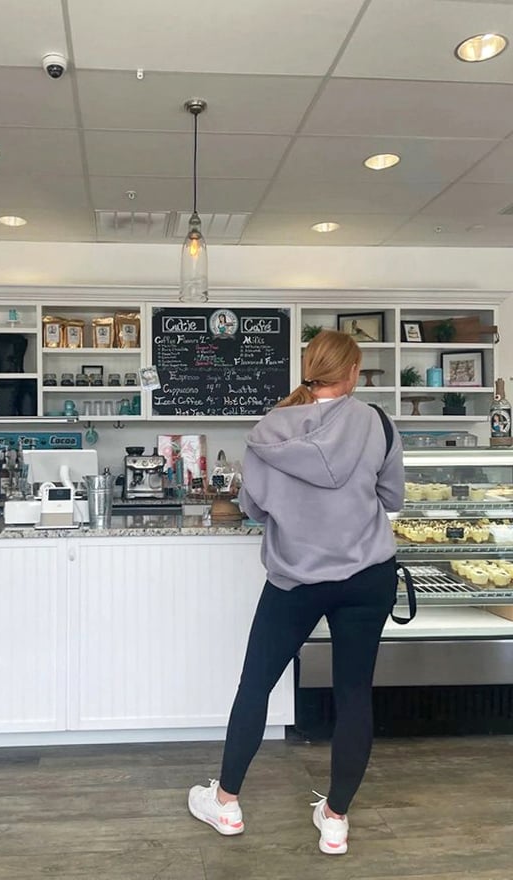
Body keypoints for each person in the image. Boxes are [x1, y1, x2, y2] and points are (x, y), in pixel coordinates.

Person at [188, 329, 404, 855]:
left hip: (295, 579)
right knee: (354, 696)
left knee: (256, 684)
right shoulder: (376, 422)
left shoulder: (268, 431)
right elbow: (392, 495)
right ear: (352, 374)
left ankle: (228, 802)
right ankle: (334, 819)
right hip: (367, 576)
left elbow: (254, 509)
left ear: (308, 369)